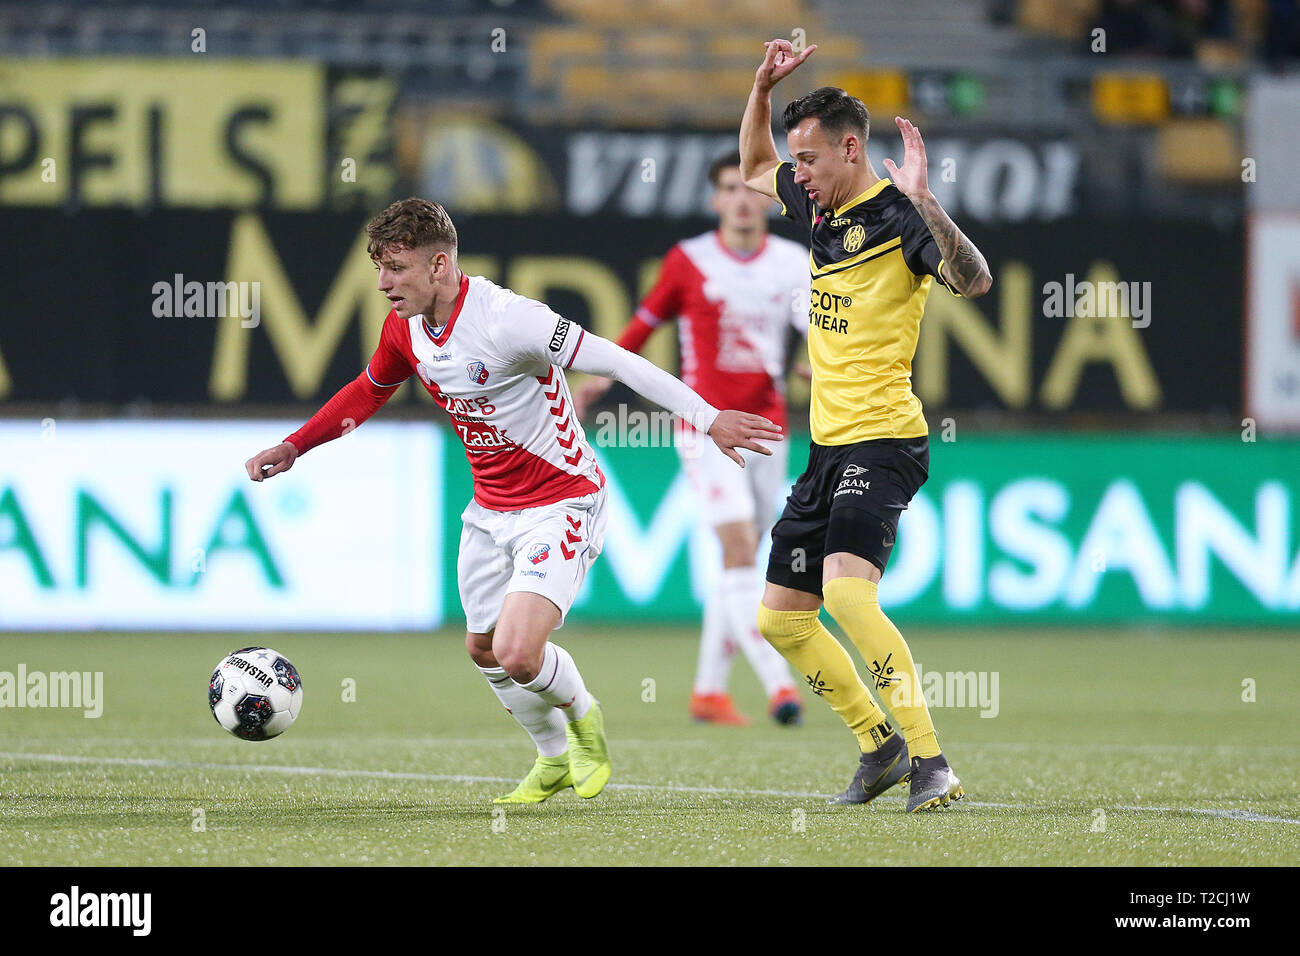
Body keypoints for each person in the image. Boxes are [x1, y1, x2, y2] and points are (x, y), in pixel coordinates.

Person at [244, 198, 780, 804]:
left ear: (440, 264)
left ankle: (584, 721)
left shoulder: (508, 319)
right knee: (482, 647)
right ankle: (551, 757)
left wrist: (707, 419)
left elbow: (622, 360)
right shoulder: (407, 328)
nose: (382, 283)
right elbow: (368, 391)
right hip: (490, 510)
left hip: (563, 500)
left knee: (519, 652)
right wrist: (295, 446)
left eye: (395, 267)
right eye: (379, 267)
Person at [739, 40, 993, 811]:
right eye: (799, 159)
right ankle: (877, 747)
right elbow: (753, 166)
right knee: (780, 622)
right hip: (827, 447)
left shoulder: (898, 217)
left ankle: (931, 760)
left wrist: (928, 202)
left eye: (811, 158)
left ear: (854, 148)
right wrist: (760, 87)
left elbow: (974, 280)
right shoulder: (818, 205)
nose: (799, 171)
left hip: (884, 440)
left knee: (849, 598)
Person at [575, 151, 809, 728]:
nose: (741, 199)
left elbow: (821, 328)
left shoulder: (792, 261)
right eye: (730, 189)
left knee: (744, 561)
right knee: (736, 552)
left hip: (770, 428)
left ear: (768, 199)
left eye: (751, 189)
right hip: (706, 426)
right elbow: (640, 329)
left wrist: (817, 365)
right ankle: (780, 686)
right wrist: (598, 379)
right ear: (716, 201)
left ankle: (708, 690)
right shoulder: (689, 261)